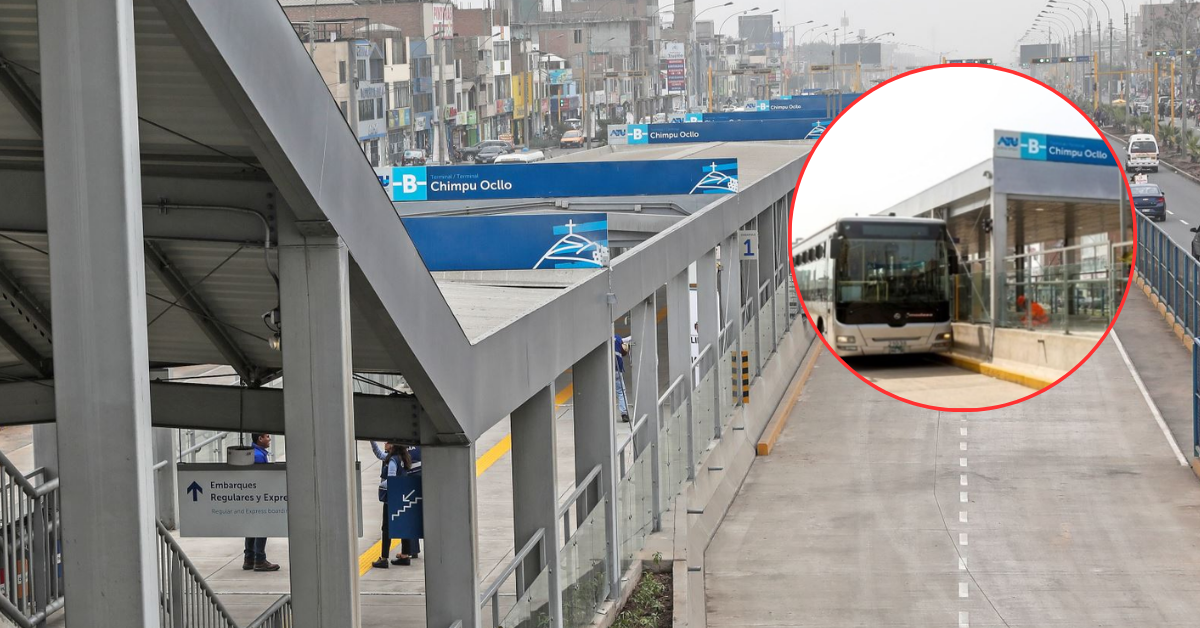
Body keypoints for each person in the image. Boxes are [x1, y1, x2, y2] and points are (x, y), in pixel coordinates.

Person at [371, 441, 413, 569]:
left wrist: (381, 486)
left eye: (388, 442)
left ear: (393, 445)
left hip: (392, 499)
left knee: (386, 528)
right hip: (402, 496)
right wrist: (372, 441)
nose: (385, 443)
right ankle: (405, 555)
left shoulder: (393, 461)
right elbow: (379, 454)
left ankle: (384, 558)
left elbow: (391, 480)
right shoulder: (402, 458)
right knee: (404, 526)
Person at [243, 433, 279, 571]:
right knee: (262, 526)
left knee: (252, 526)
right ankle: (259, 560)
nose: (269, 439)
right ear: (260, 439)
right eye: (267, 436)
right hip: (258, 496)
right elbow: (260, 479)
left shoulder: (254, 453)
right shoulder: (258, 456)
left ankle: (249, 558)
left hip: (252, 496)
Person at [614, 334, 631, 422]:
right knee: (621, 392)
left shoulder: (603, 340)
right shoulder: (618, 339)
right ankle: (624, 413)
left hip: (605, 371)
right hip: (617, 371)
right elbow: (628, 339)